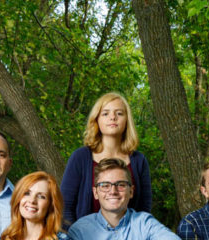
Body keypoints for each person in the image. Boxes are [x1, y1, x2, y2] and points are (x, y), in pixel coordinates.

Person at [60, 92, 151, 226]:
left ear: (127, 120)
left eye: (119, 113)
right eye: (105, 113)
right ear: (96, 120)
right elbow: (64, 207)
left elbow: (144, 209)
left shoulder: (138, 160)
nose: (113, 117)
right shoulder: (81, 157)